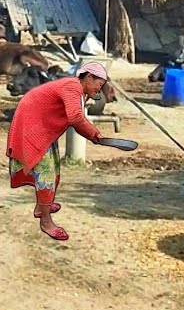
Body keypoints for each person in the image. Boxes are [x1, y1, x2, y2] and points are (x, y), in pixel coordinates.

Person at [7, 61, 109, 242]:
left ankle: (42, 206)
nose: (98, 90)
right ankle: (46, 221)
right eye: (98, 85)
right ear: (89, 77)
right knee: (46, 173)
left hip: (42, 125)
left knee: (53, 168)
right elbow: (76, 118)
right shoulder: (73, 88)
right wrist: (95, 135)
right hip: (33, 126)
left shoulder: (76, 89)